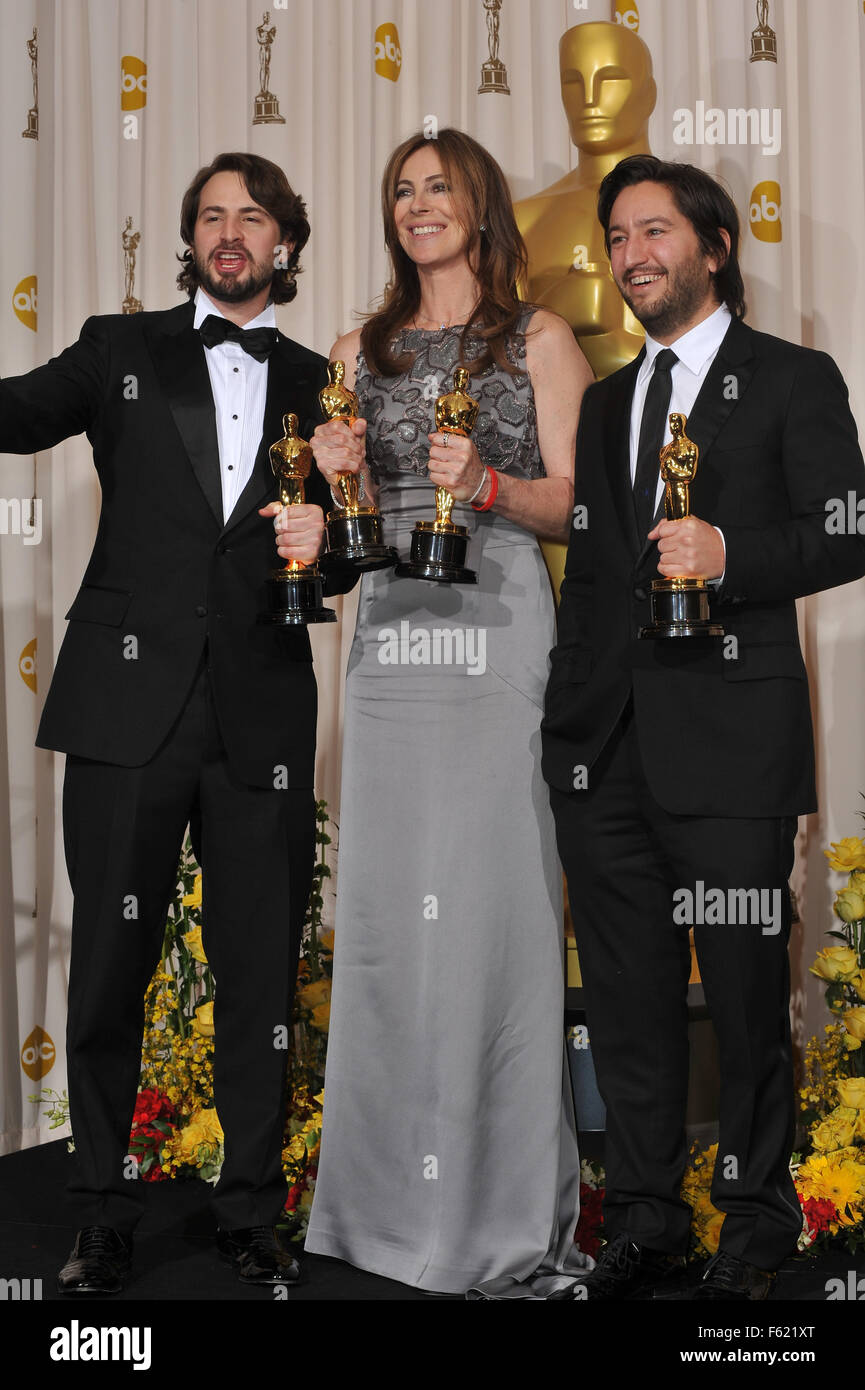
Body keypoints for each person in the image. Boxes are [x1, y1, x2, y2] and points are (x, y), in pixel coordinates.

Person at [0, 151, 354, 1294]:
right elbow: (14, 418)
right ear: (190, 241)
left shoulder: (320, 379)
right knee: (109, 972)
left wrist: (333, 538)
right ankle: (101, 1212)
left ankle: (250, 1210)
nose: (229, 231)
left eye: (251, 216)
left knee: (259, 975)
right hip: (124, 712)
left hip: (260, 714)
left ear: (284, 243)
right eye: (210, 216)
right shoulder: (120, 348)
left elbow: (338, 555)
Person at [542, 154, 865, 1300]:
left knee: (740, 995)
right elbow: (590, 580)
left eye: (655, 233)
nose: (632, 256)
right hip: (605, 753)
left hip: (731, 751)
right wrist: (562, 732)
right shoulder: (604, 396)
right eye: (617, 238)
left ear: (712, 247)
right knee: (627, 999)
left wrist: (734, 557)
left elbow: (847, 526)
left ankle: (755, 1219)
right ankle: (646, 1215)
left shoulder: (789, 377)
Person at [303, 128, 594, 1297]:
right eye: (402, 190)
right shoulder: (352, 347)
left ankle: (494, 1213)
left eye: (440, 186)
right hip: (388, 633)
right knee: (383, 910)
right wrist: (337, 482)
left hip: (497, 623)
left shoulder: (538, 337)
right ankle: (376, 1213)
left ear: (481, 206)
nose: (419, 203)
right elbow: (357, 516)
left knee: (491, 906)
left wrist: (489, 488)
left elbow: (575, 505)